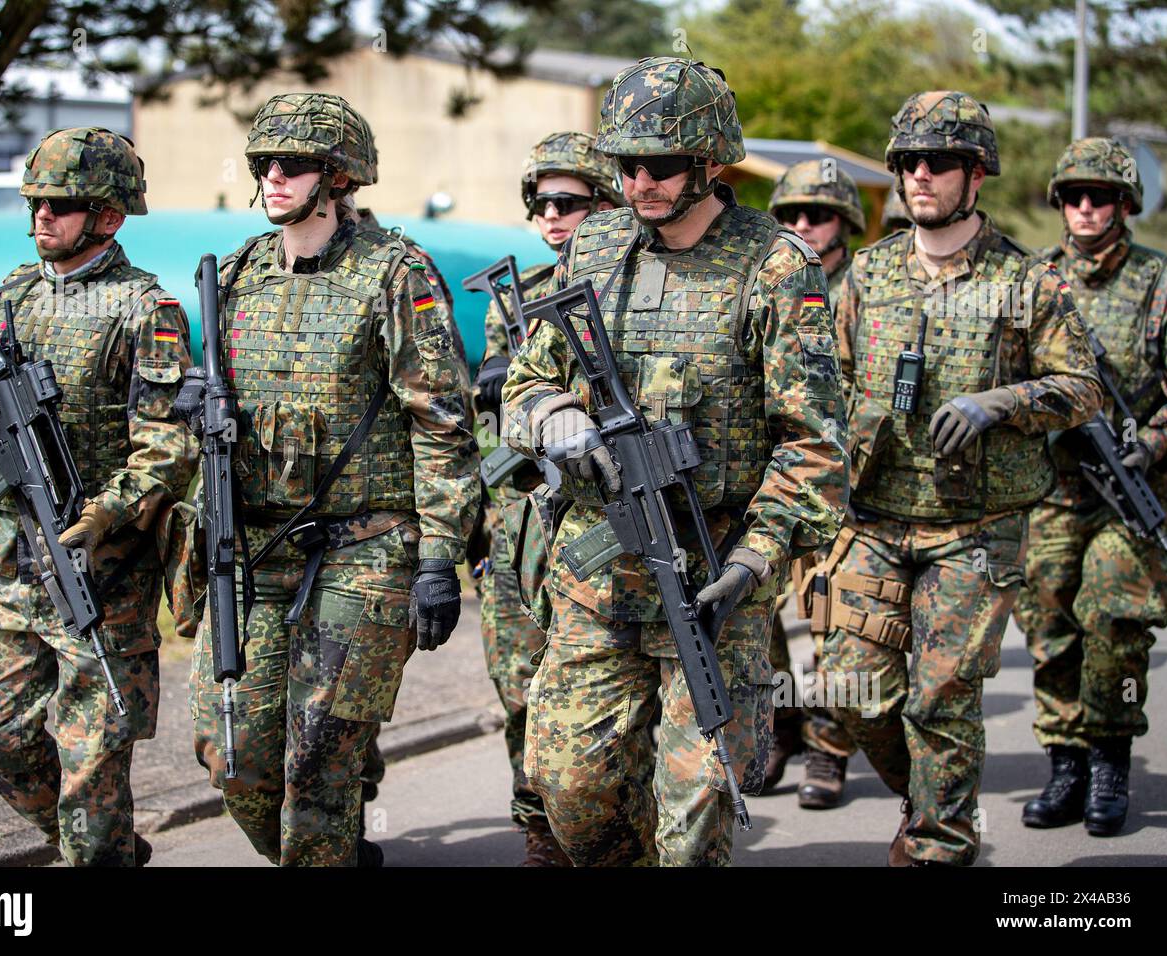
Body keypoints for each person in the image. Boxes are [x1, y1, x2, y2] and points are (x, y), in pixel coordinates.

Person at [503, 56, 849, 866]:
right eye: (626, 165)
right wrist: (549, 415)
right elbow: (526, 381)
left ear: (710, 161)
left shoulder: (775, 266)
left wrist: (756, 561)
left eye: (660, 165)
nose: (639, 183)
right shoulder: (594, 246)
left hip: (715, 579)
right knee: (569, 792)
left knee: (693, 824)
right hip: (596, 571)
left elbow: (815, 447)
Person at [188, 92, 480, 867]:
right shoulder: (242, 272)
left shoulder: (395, 273)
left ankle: (328, 837)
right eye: (263, 164)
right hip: (254, 546)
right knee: (233, 756)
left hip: (364, 549)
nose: (273, 176)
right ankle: (336, 845)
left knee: (315, 760)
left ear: (340, 175)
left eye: (294, 163)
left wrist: (437, 558)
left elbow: (442, 422)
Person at [822, 91, 1103, 866]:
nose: (919, 176)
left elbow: (1084, 388)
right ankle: (933, 799)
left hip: (975, 528)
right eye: (908, 162)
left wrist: (1001, 402)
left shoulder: (1027, 281)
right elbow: (826, 385)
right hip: (874, 518)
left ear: (976, 175)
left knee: (942, 697)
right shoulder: (868, 275)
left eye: (938, 162)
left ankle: (940, 843)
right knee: (854, 690)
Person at [0, 127, 196, 866]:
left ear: (109, 217)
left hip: (99, 571)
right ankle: (95, 845)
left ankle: (95, 850)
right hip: (12, 561)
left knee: (93, 761)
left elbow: (167, 445)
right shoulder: (12, 292)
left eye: (61, 205)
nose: (42, 217)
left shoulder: (147, 310)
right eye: (35, 203)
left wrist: (106, 513)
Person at [1013, 137, 1167, 836]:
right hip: (1051, 488)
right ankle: (1066, 763)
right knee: (1050, 625)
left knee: (1113, 620)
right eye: (1074, 195)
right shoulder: (1032, 279)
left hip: (1128, 487)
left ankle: (1111, 759)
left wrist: (1154, 441)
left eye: (1101, 196)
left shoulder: (1163, 282)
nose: (1086, 207)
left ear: (1124, 205)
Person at [472, 131, 622, 866]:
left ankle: (617, 827)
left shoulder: (631, 292)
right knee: (520, 685)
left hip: (598, 520)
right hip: (519, 522)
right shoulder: (520, 295)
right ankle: (540, 827)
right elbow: (492, 430)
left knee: (595, 696)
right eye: (540, 203)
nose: (552, 216)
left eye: (570, 202)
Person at [762, 158, 866, 808]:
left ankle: (828, 751)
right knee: (753, 618)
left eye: (818, 214)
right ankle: (780, 726)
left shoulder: (870, 288)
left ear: (844, 222)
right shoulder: (766, 280)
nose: (803, 225)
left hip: (840, 489)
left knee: (831, 621)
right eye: (792, 214)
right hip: (768, 480)